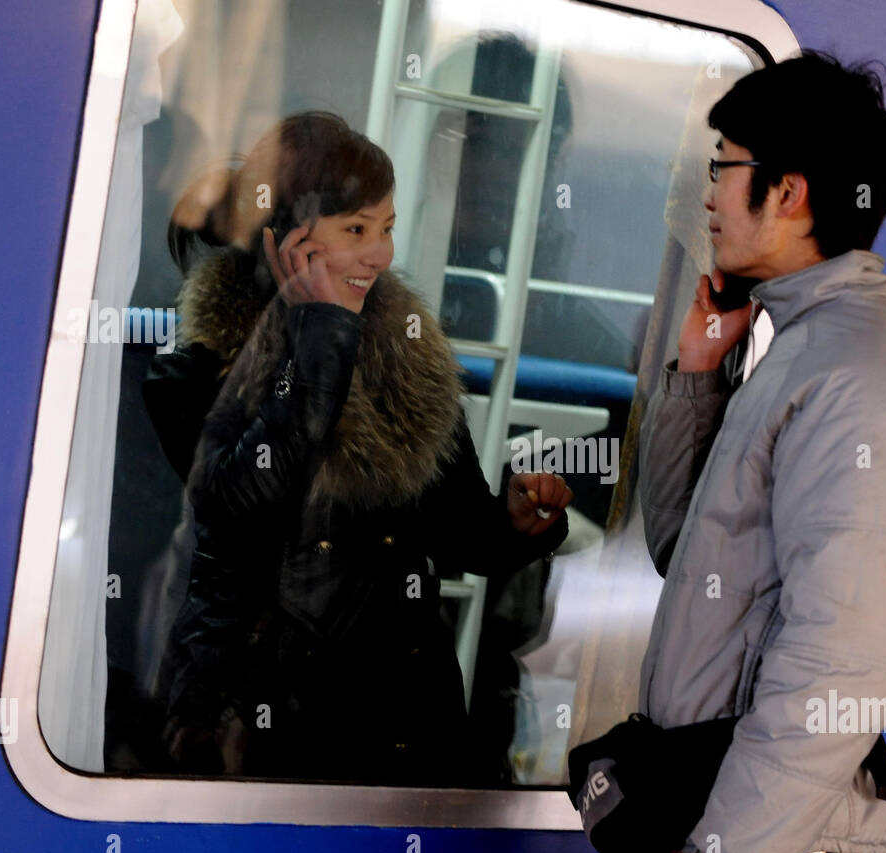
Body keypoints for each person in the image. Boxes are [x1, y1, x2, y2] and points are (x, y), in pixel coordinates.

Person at [147, 111, 572, 785]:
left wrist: (515, 524)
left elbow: (457, 530)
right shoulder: (198, 368)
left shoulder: (408, 357)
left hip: (405, 714)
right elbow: (257, 503)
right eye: (356, 230)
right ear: (284, 236)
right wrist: (322, 333)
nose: (381, 254)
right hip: (265, 721)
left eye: (387, 228)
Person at [639, 52, 886, 853]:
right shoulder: (798, 352)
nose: (708, 194)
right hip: (747, 838)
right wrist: (699, 375)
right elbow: (686, 554)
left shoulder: (854, 381)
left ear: (788, 193)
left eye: (724, 168)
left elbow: (847, 649)